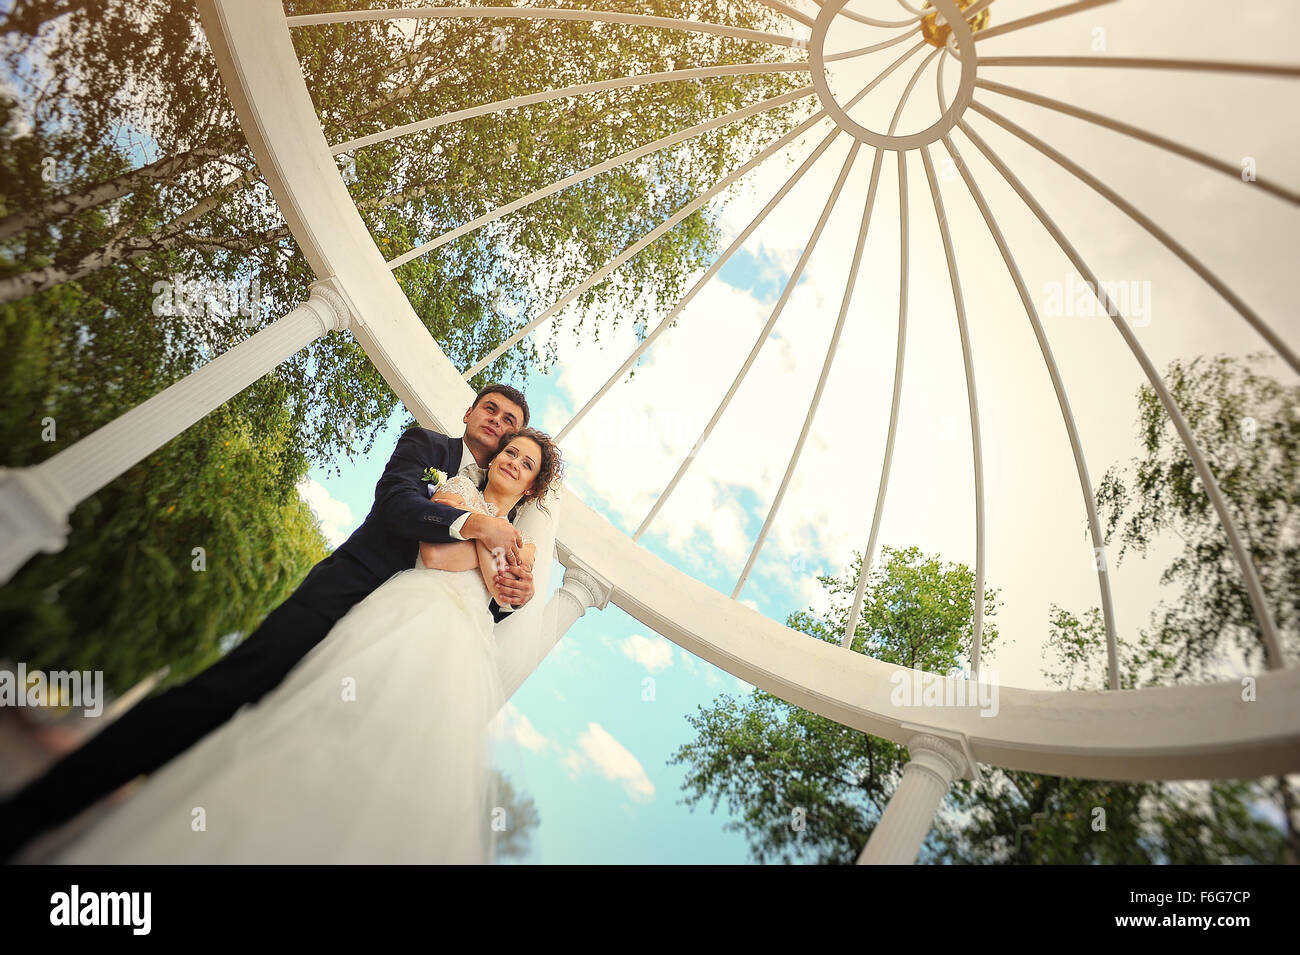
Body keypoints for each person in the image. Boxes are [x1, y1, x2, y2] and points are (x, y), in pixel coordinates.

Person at [0, 383, 539, 862]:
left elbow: (478, 597)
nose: (497, 422)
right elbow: (396, 504)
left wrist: (513, 592)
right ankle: (29, 817)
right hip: (335, 604)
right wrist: (473, 524)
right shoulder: (426, 447)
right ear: (469, 413)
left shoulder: (510, 527)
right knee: (222, 696)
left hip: (389, 649)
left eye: (509, 423)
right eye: (489, 409)